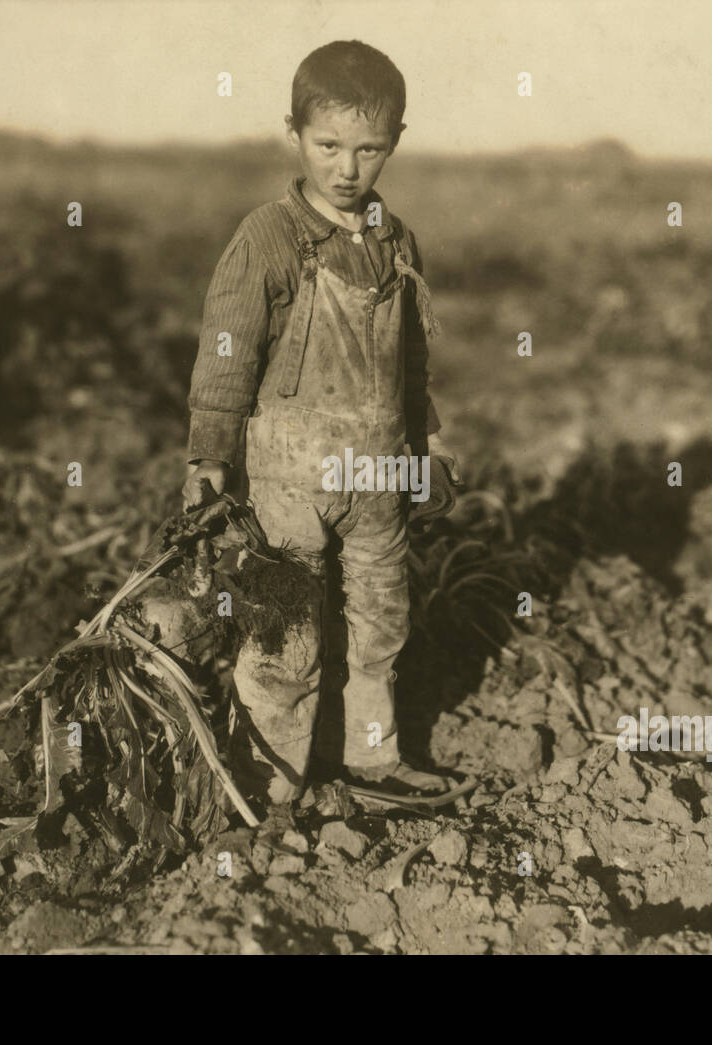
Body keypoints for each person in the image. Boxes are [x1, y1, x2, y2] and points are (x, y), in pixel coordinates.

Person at [182, 40, 459, 809]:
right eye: (328, 144)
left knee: (380, 628)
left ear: (396, 142)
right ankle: (269, 788)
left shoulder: (398, 244)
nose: (347, 168)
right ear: (295, 134)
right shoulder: (267, 237)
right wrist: (208, 457)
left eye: (369, 149)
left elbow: (411, 368)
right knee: (286, 641)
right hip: (288, 484)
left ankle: (374, 765)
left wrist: (425, 448)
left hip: (377, 477)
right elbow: (226, 358)